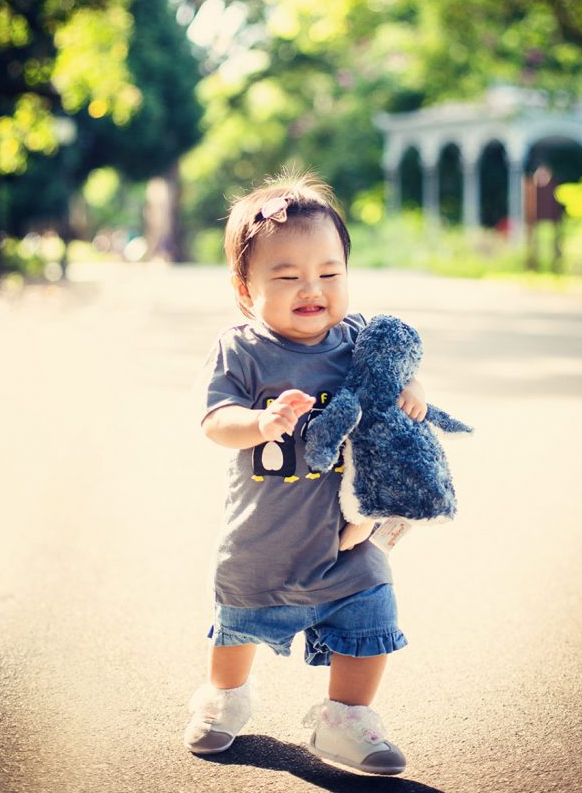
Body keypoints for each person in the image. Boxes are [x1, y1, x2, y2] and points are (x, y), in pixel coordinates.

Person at [184, 172, 427, 775]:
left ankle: (346, 716)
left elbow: (394, 375)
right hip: (264, 535)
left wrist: (411, 390)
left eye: (329, 273)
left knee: (371, 611)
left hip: (348, 537)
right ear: (246, 289)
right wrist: (261, 422)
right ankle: (225, 698)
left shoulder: (359, 341)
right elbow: (216, 421)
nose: (311, 288)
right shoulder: (242, 349)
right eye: (288, 276)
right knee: (238, 620)